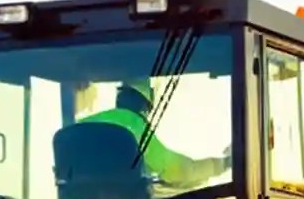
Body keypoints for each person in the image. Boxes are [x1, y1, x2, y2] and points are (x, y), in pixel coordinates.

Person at [76, 78, 230, 189]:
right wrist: (220, 165)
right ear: (144, 107)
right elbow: (174, 170)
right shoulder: (133, 124)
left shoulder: (81, 125)